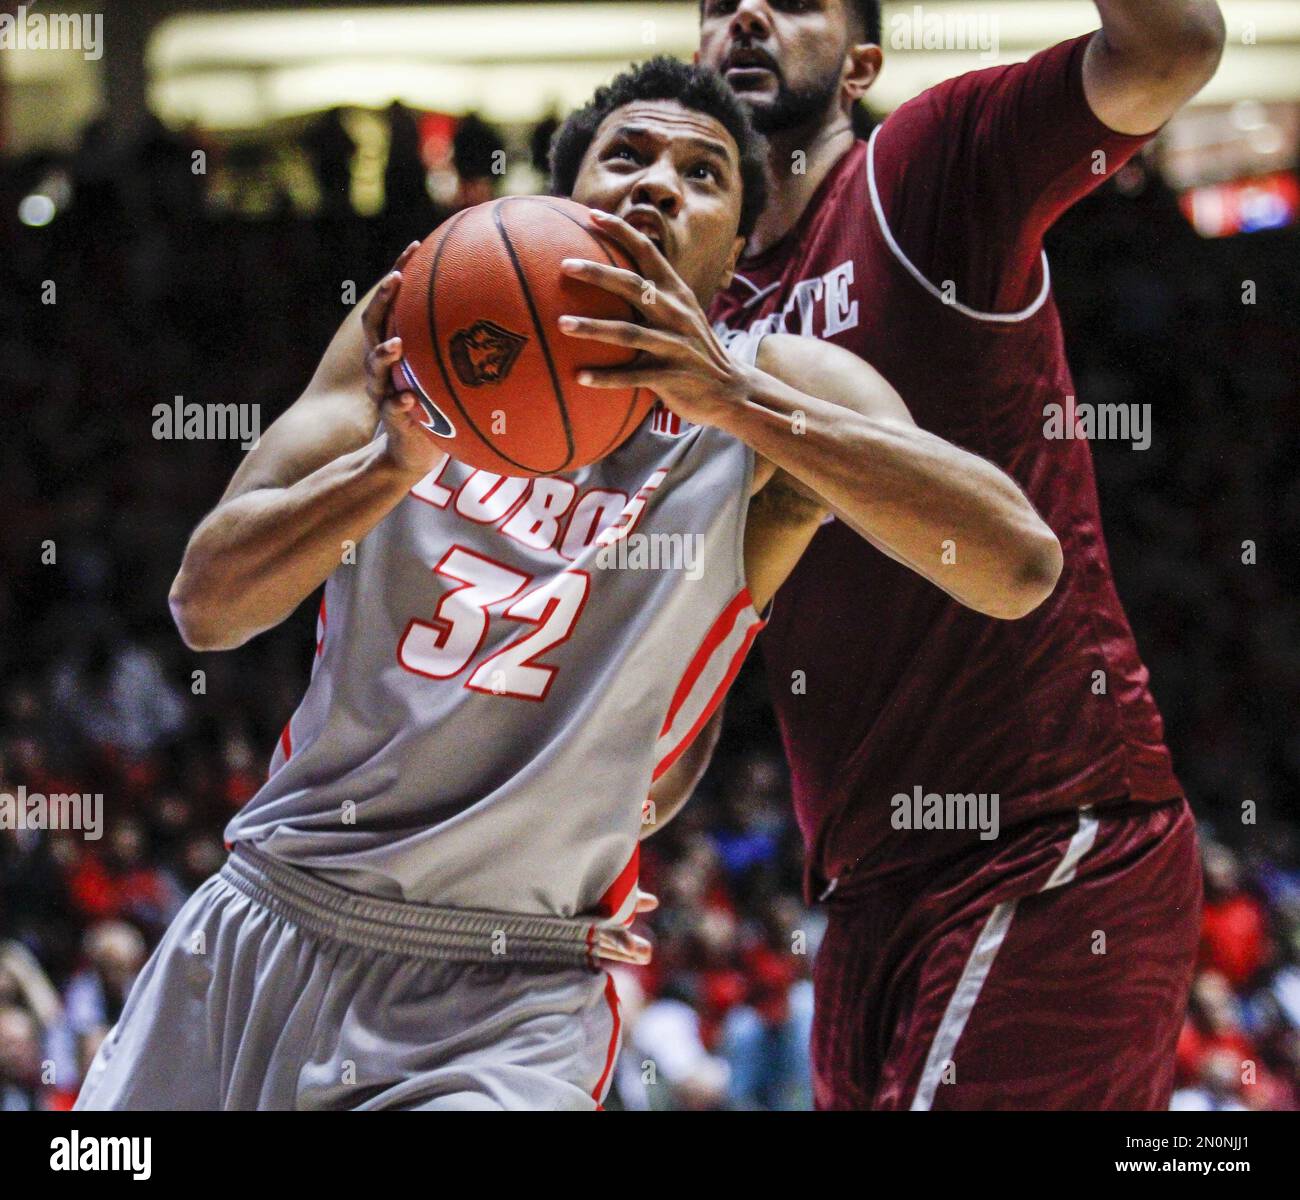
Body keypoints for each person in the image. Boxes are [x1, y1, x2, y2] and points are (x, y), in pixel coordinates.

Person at [75, 59, 1056, 1111]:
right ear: (553, 205)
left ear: (733, 252)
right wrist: (389, 467)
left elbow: (1015, 566)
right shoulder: (414, 331)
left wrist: (731, 401)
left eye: (703, 173)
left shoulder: (778, 383)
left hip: (508, 995)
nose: (657, 185)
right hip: (272, 918)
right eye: (624, 155)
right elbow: (208, 605)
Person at [698, 0, 1225, 1109]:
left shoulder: (923, 166)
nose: (742, 12)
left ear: (862, 65)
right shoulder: (699, 310)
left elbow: (1170, 49)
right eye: (715, 3)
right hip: (859, 891)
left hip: (1048, 839)